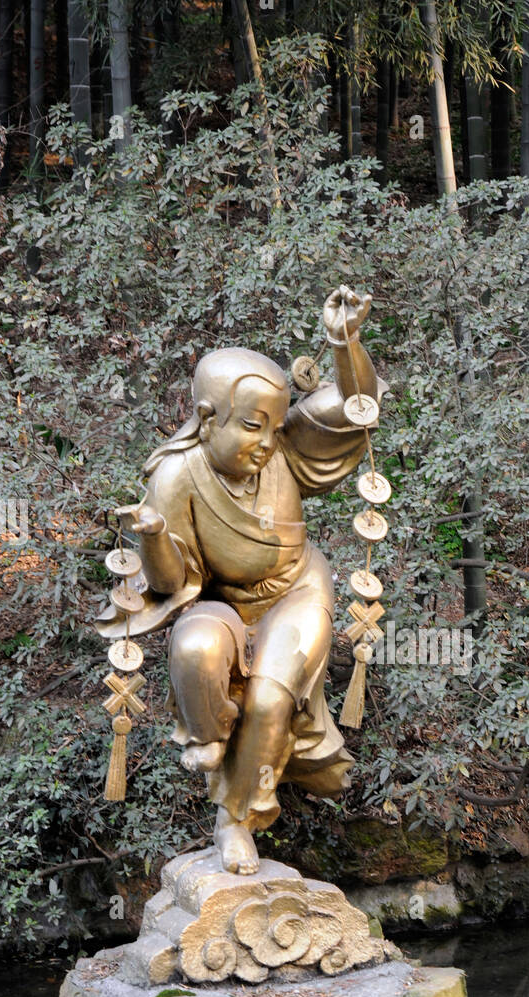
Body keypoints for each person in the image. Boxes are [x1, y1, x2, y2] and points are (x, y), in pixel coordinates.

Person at [97, 286, 386, 874]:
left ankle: (239, 820)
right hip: (221, 600)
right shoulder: (176, 476)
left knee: (271, 696)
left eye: (275, 427)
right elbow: (173, 582)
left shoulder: (283, 449)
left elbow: (361, 405)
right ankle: (209, 731)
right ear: (208, 419)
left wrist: (344, 340)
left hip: (297, 590)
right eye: (253, 427)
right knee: (196, 645)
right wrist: (153, 536)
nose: (266, 442)